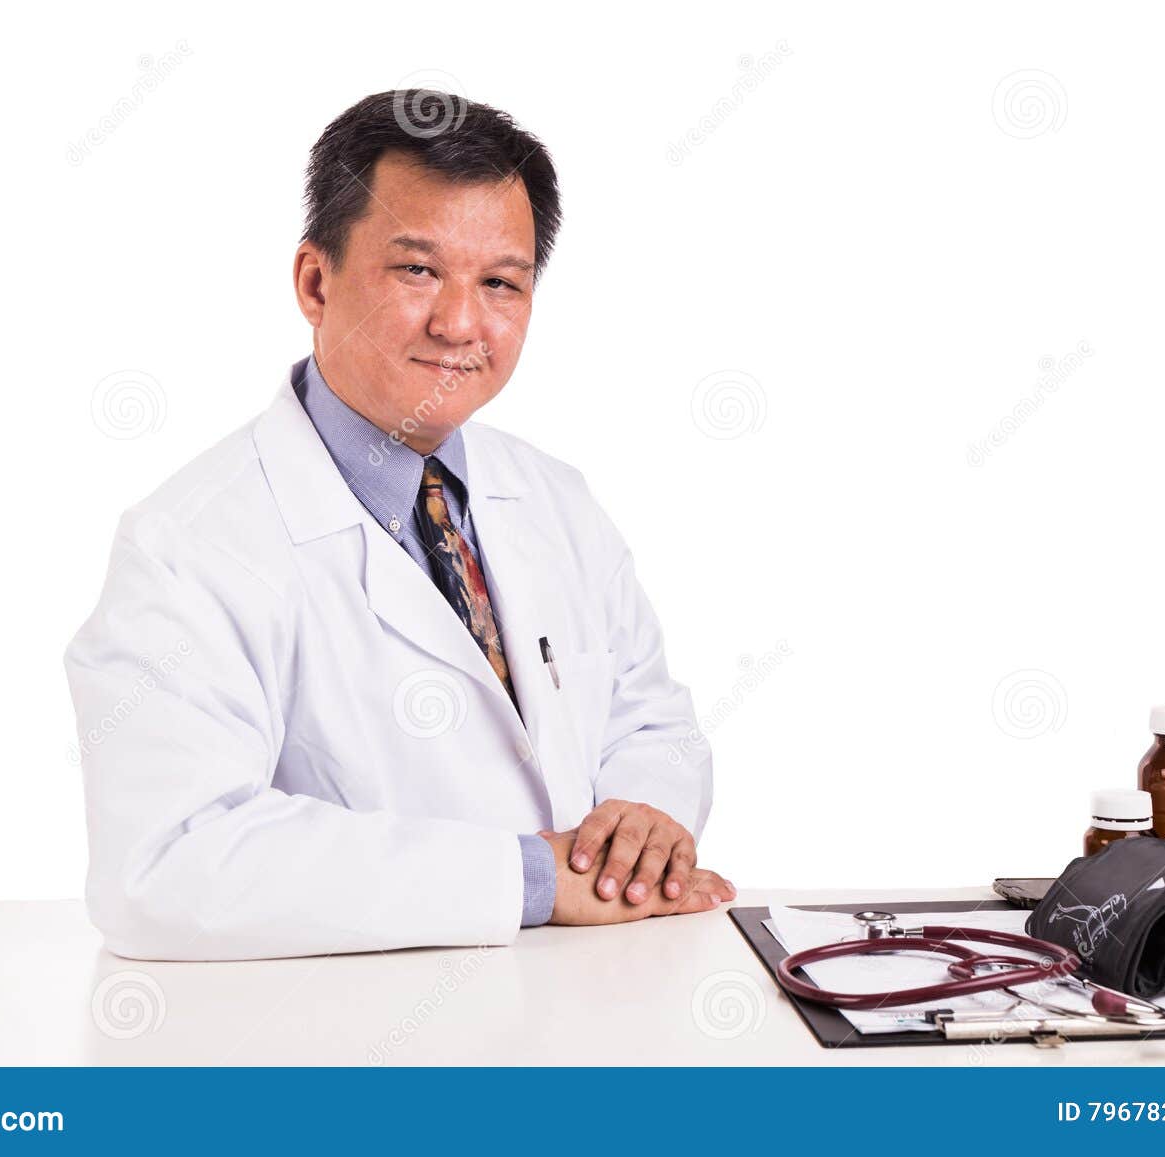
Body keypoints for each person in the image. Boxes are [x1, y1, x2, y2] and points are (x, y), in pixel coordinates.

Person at [63, 90, 733, 960]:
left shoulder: (555, 500)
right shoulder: (189, 546)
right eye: (417, 270)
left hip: (584, 1021)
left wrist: (644, 821)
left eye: (500, 282)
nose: (460, 323)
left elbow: (651, 721)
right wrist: (528, 878)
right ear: (316, 280)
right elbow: (165, 866)